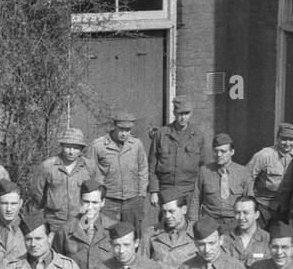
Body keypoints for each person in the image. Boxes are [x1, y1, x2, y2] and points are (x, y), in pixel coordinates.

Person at [87, 109, 149, 237]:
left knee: (133, 235)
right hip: (109, 200)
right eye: (121, 129)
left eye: (128, 130)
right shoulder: (98, 146)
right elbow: (89, 172)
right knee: (107, 236)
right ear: (114, 126)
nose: (124, 134)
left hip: (132, 200)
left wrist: (142, 194)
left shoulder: (136, 144)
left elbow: (143, 168)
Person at [28, 126, 96, 237]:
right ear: (62, 146)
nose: (71, 151)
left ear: (81, 149)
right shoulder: (47, 166)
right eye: (68, 147)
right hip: (54, 223)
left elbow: (95, 194)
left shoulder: (89, 167)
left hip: (80, 222)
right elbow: (37, 194)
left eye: (75, 147)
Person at [148, 95, 207, 212]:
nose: (183, 117)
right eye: (180, 113)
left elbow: (204, 166)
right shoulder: (162, 134)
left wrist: (202, 193)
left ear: (191, 113)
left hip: (190, 190)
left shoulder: (198, 135)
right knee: (167, 223)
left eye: (186, 113)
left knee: (189, 224)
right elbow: (152, 165)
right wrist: (154, 191)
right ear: (174, 112)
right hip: (166, 188)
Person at [189, 132, 253, 226]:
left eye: (223, 151)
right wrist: (192, 223)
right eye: (215, 151)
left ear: (232, 152)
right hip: (209, 222)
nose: (218, 155)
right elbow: (195, 198)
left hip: (235, 223)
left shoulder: (243, 172)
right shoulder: (204, 171)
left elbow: (250, 201)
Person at [245, 122, 293, 225]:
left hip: (287, 210)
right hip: (264, 207)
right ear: (277, 138)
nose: (287, 143)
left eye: (291, 140)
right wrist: (252, 204)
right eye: (284, 139)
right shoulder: (264, 155)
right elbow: (247, 177)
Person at [221, 195, 271, 268]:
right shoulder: (226, 239)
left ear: (256, 215)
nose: (241, 217)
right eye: (237, 213)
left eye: (246, 213)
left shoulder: (267, 240)